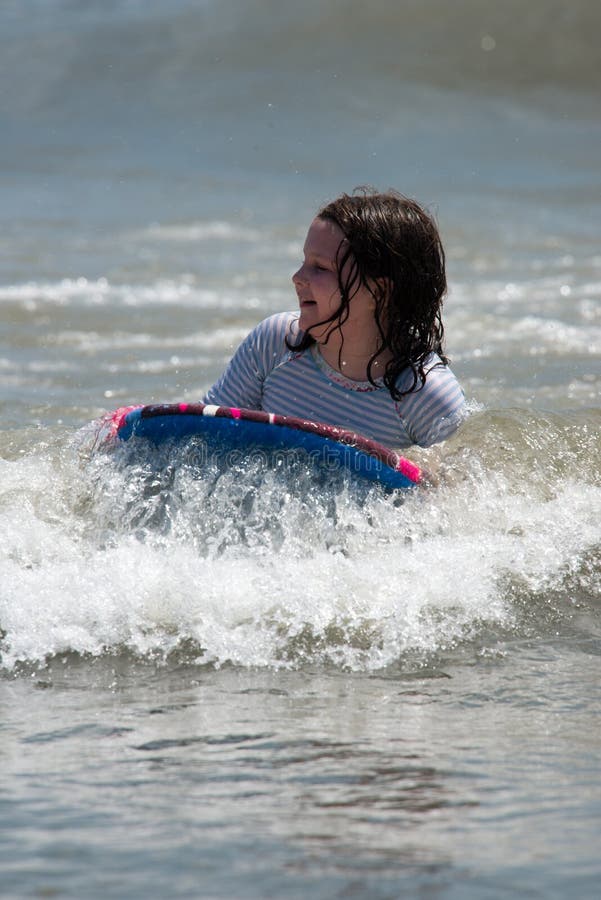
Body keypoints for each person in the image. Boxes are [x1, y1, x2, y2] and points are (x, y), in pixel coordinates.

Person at [204, 188, 466, 449]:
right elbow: (202, 437)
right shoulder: (275, 343)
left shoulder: (425, 395)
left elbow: (453, 487)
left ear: (379, 291)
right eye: (304, 261)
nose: (297, 277)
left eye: (320, 267)